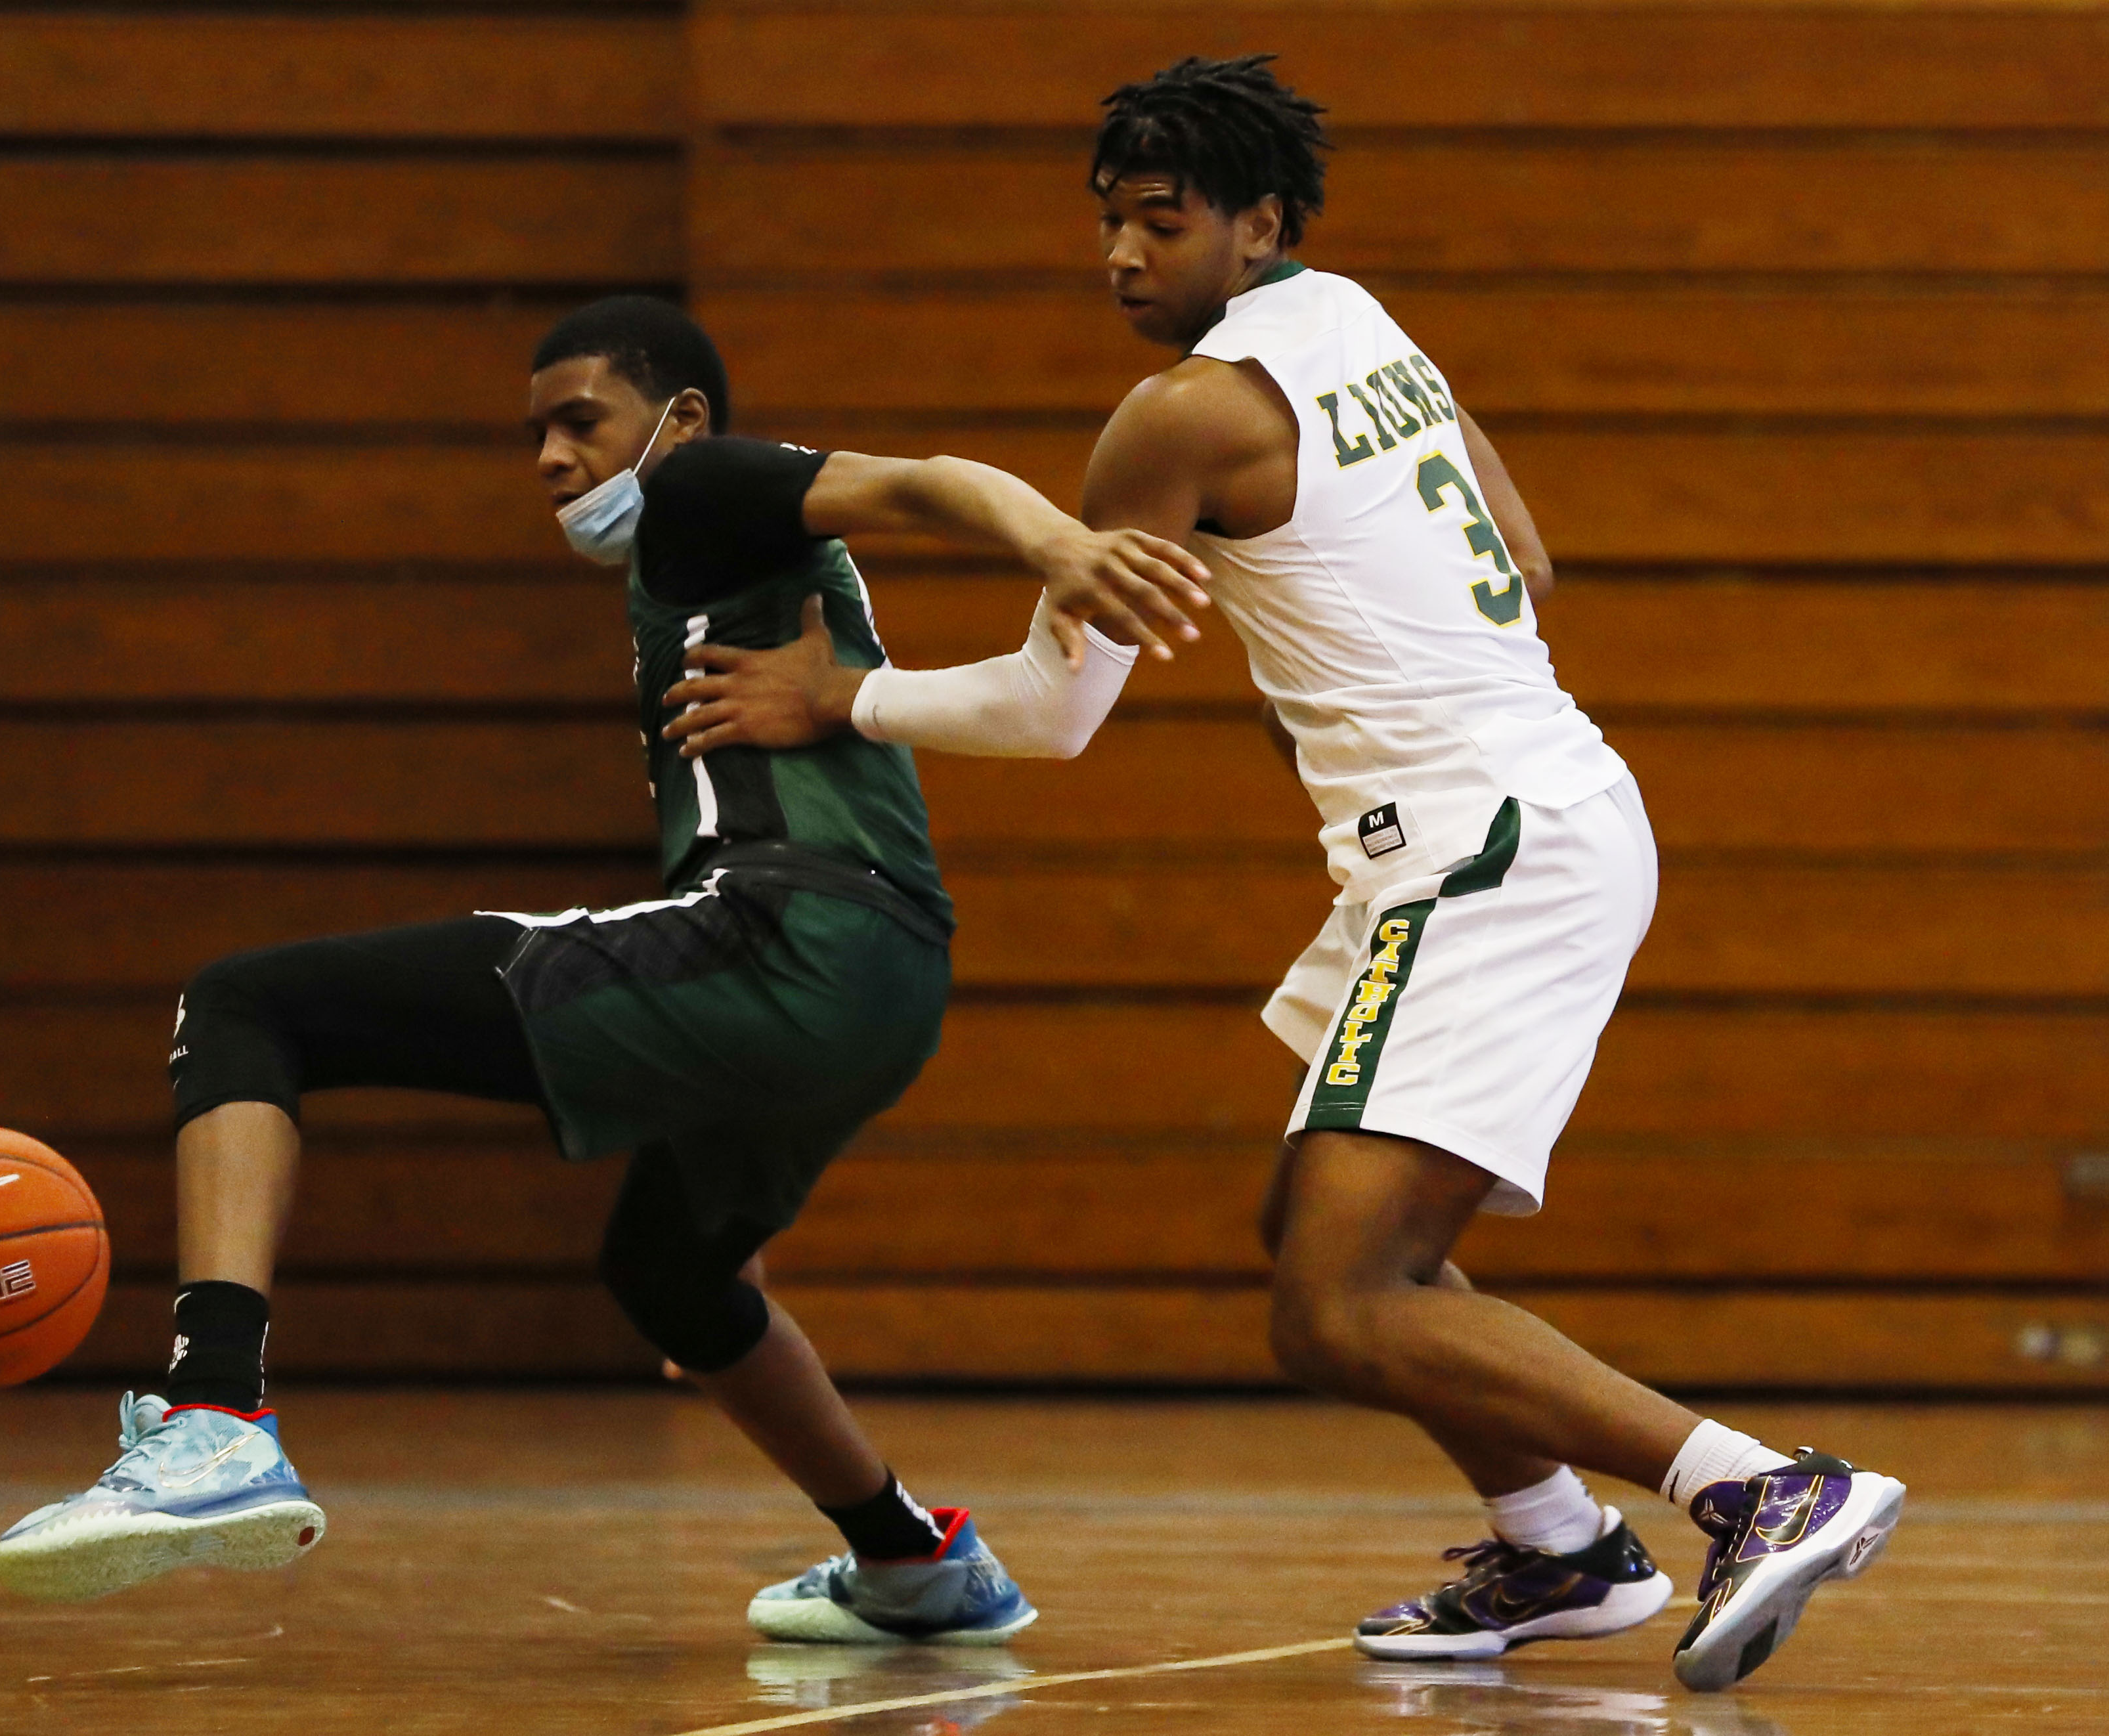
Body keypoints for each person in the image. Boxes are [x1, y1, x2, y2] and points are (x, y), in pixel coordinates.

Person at [653, 58, 1905, 1693]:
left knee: (1334, 1302)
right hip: (1530, 807)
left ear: (1260, 227)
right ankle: (1558, 1546)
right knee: (1333, 1232)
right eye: (1108, 222)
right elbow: (1524, 550)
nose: (1121, 255)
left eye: (1160, 224)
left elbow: (1053, 712)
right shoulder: (1361, 322)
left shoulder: (1180, 417)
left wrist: (840, 699)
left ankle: (1750, 1481)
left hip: (1482, 846)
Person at [0, 295, 1209, 1644]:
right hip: (887, 979)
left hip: (785, 937)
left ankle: (216, 1415)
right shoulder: (708, 564)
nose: (553, 458)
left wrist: (1060, 546)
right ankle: (912, 1557)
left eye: (581, 421)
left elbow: (923, 479)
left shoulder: (706, 490)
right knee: (671, 1276)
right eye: (536, 435)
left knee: (247, 1001)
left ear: (677, 421)